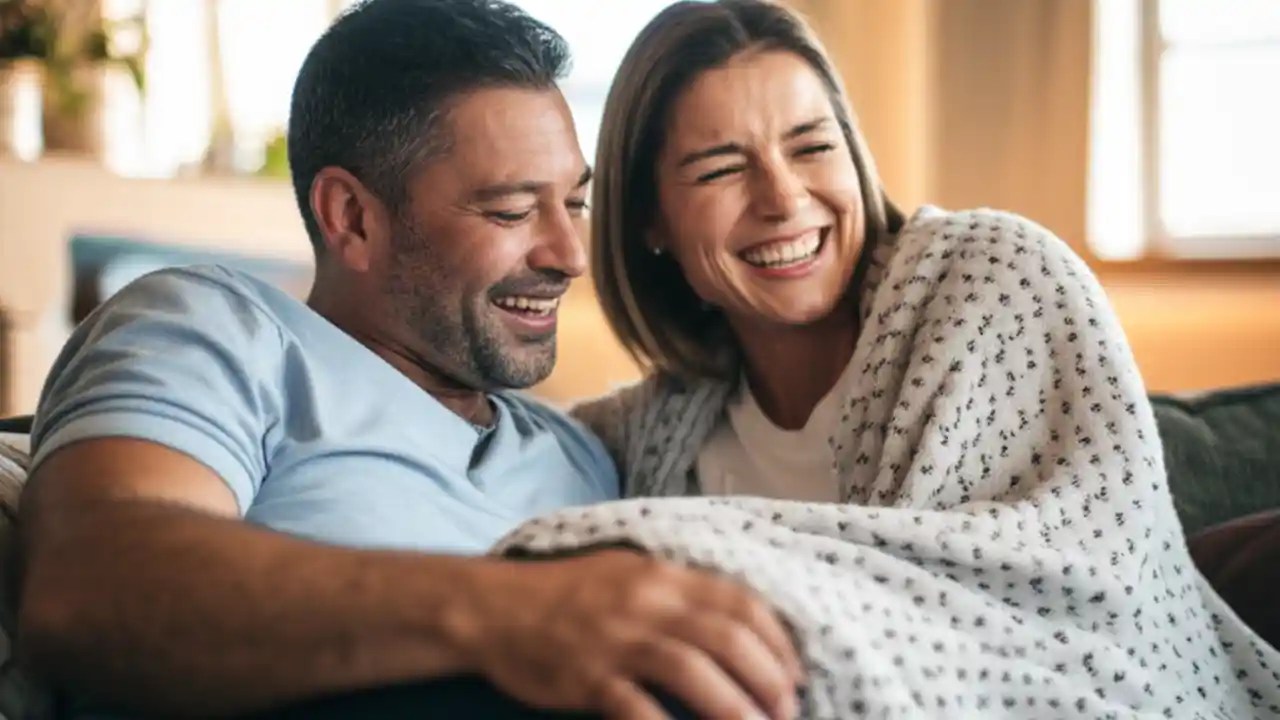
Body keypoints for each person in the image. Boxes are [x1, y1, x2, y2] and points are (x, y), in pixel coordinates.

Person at [14, 2, 802, 719]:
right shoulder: (219, 328)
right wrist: (509, 613)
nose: (568, 254)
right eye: (512, 210)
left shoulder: (582, 455)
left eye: (575, 202)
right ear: (352, 217)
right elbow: (88, 585)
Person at [544, 0, 1280, 716]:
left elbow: (1015, 594)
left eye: (811, 145)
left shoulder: (990, 274)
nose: (783, 197)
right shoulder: (652, 437)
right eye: (720, 168)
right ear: (649, 220)